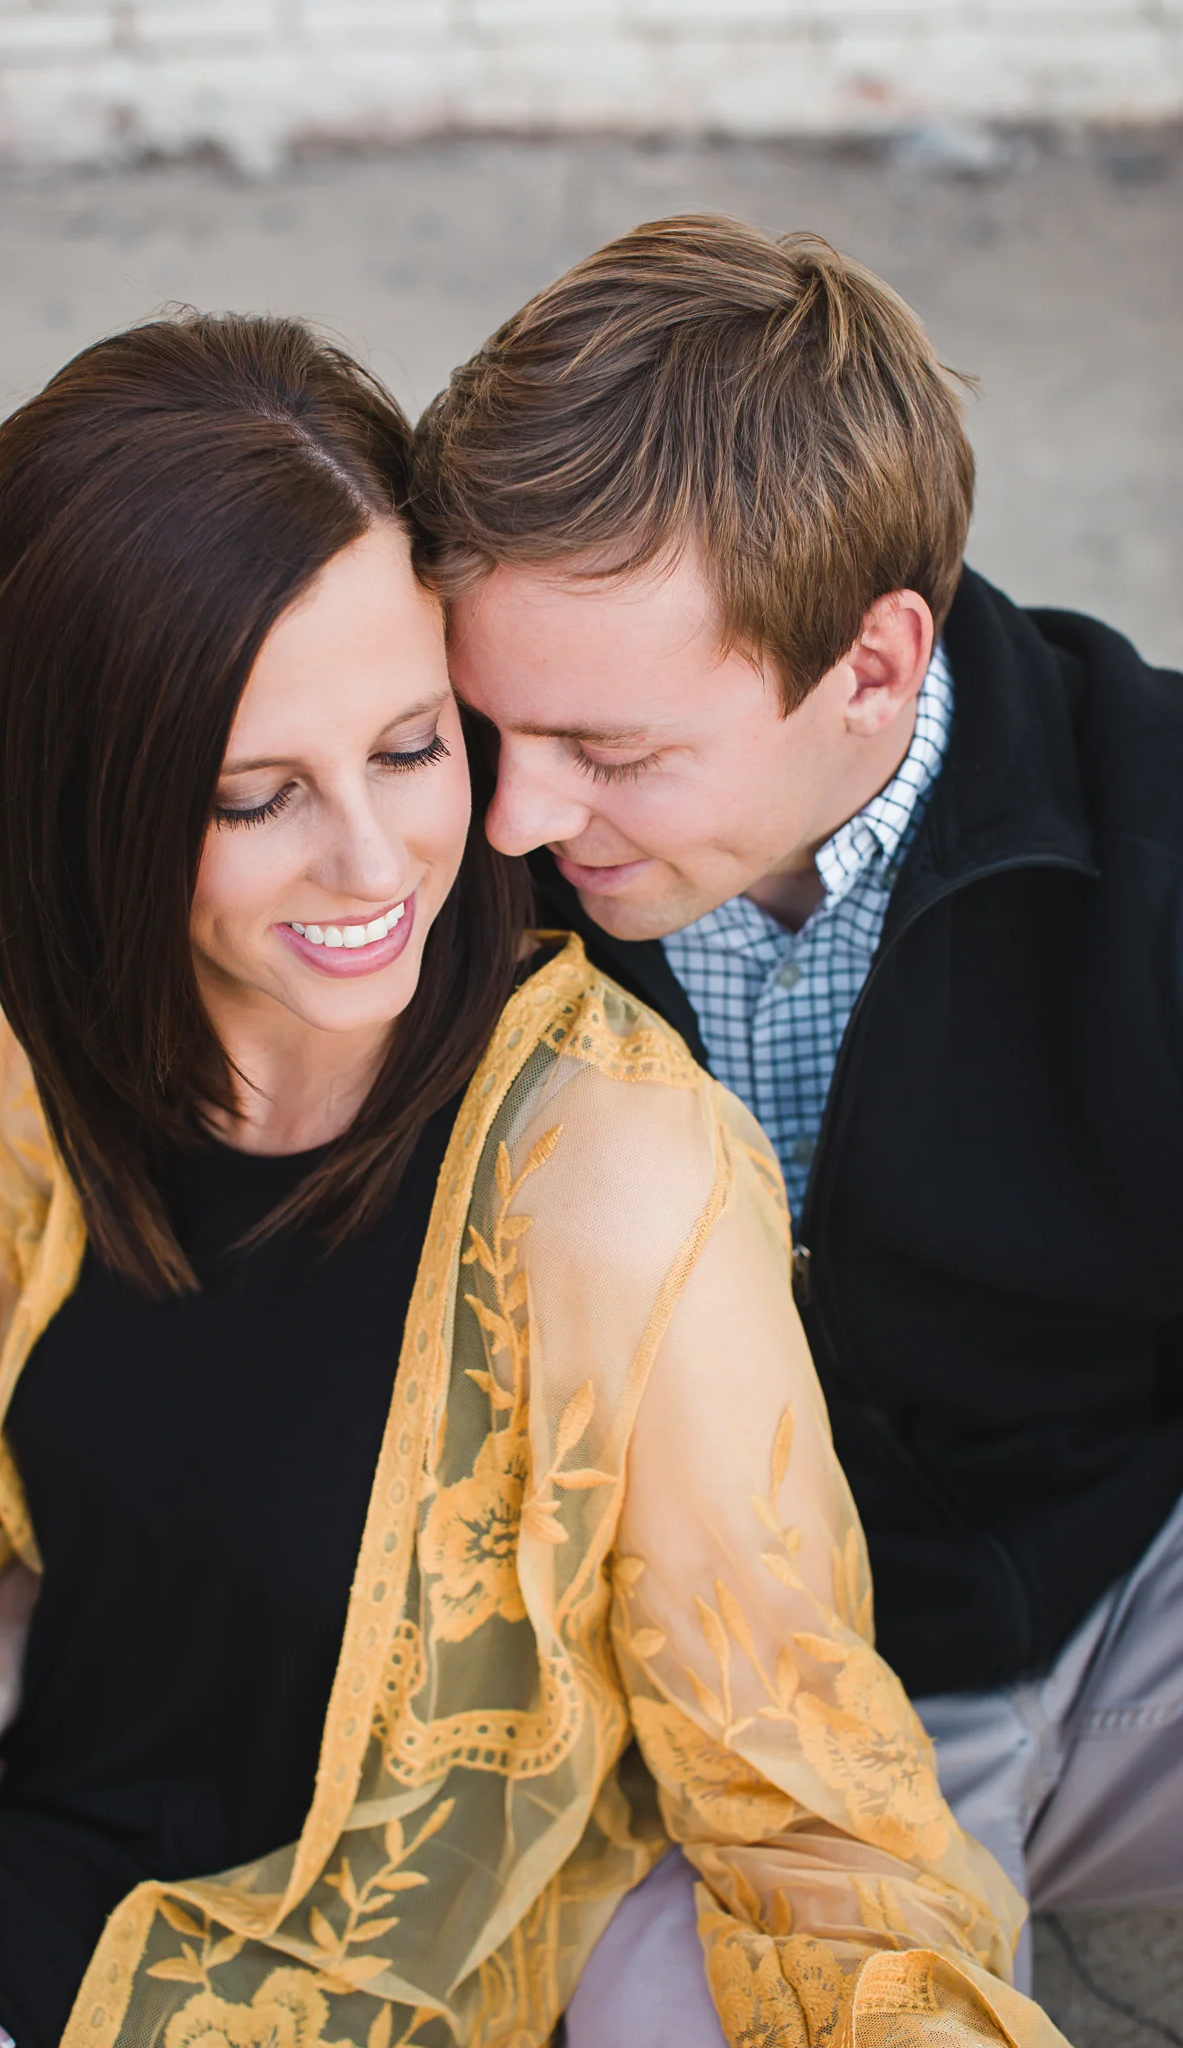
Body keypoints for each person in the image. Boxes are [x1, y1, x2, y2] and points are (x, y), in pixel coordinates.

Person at [0, 315, 1066, 2048]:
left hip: (330, 1979)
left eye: (415, 748)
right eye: (258, 796)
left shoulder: (614, 1171)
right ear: (82, 806)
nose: (378, 859)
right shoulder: (42, 1045)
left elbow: (806, 1803)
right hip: (3, 1875)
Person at [407, 210, 1183, 2014]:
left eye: (618, 754)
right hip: (726, 1707)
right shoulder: (445, 839)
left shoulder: (1148, 841)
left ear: (876, 666)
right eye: (492, 727)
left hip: (1110, 1603)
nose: (515, 822)